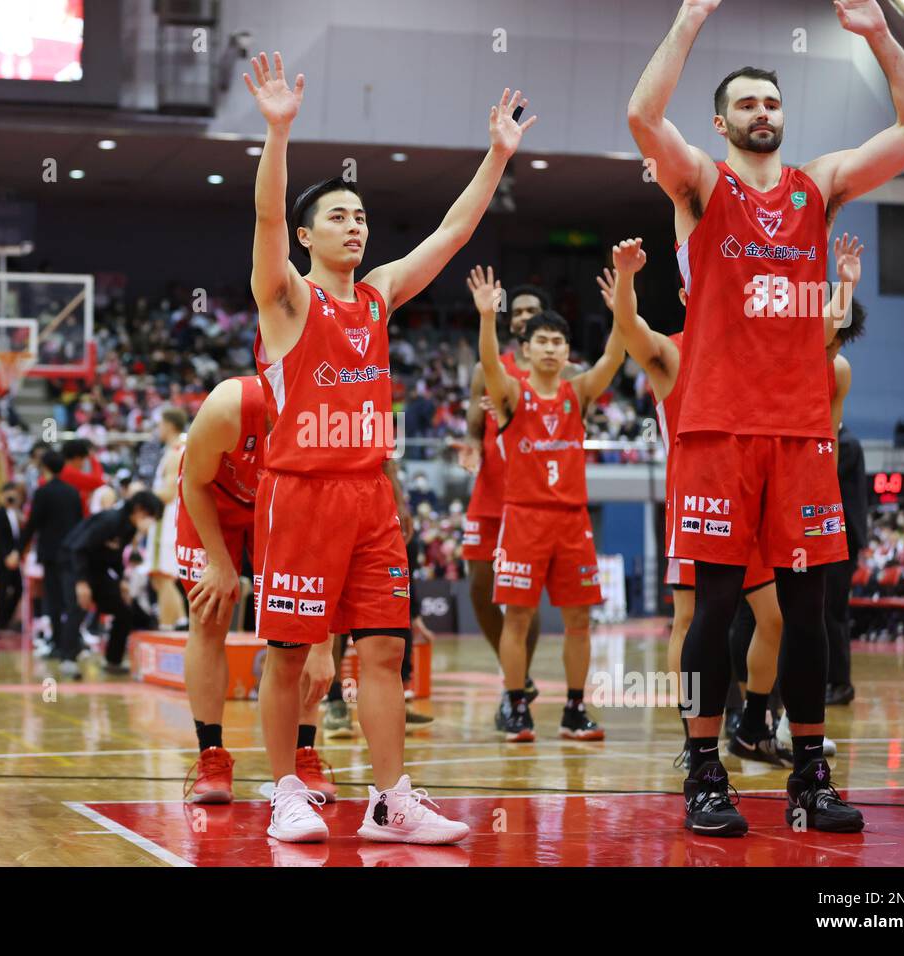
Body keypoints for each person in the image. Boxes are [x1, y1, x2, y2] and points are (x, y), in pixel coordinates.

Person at [627, 0, 904, 835]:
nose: (763, 113)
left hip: (801, 433)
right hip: (718, 430)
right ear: (722, 120)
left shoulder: (820, 186)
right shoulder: (699, 184)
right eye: (748, 103)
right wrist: (690, 19)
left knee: (805, 614)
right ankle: (703, 772)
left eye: (773, 102)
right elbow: (641, 115)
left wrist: (877, 33)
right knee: (715, 610)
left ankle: (809, 772)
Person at [245, 49, 533, 842]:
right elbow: (267, 219)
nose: (356, 225)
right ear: (307, 235)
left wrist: (497, 156)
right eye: (338, 216)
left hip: (373, 497)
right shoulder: (288, 298)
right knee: (293, 655)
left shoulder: (378, 296)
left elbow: (451, 230)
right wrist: (279, 133)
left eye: (362, 216)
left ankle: (388, 799)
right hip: (300, 494)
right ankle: (283, 792)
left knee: (382, 654)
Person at [604, 237, 862, 766]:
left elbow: (821, 338)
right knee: (690, 619)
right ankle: (693, 737)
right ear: (687, 294)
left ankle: (752, 725)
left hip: (755, 500)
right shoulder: (673, 351)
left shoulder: (755, 349)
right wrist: (627, 280)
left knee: (776, 619)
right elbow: (630, 329)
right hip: (700, 502)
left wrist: (843, 289)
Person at [467, 267, 624, 742]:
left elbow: (615, 356)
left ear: (566, 351)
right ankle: (517, 706)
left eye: (559, 341)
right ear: (528, 349)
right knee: (517, 616)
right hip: (524, 517)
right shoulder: (513, 394)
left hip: (572, 520)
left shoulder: (579, 392)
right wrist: (484, 318)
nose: (552, 348)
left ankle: (575, 709)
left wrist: (623, 310)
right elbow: (489, 366)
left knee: (579, 619)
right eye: (543, 341)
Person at [179, 375, 337, 803]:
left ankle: (303, 752)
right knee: (209, 616)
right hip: (213, 500)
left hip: (286, 508)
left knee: (302, 627)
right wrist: (218, 561)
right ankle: (211, 756)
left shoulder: (328, 418)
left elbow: (328, 536)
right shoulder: (229, 405)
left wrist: (324, 645)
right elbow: (192, 482)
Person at [459, 284, 549, 721]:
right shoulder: (488, 367)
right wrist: (473, 447)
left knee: (523, 601)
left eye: (533, 310)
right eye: (519, 311)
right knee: (478, 585)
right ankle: (510, 667)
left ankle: (517, 683)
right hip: (490, 492)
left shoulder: (559, 372)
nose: (524, 316)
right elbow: (474, 427)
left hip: (532, 498)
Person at [58, 491, 162, 679]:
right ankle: (68, 659)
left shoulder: (129, 528)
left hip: (97, 570)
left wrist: (121, 581)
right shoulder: (110, 520)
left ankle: (113, 660)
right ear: (139, 510)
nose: (150, 523)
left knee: (124, 611)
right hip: (74, 565)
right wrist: (81, 582)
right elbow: (79, 549)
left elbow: (115, 557)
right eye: (150, 517)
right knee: (79, 606)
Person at [822, 302, 869, 706]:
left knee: (834, 614)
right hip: (833, 537)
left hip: (842, 539)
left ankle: (841, 683)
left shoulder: (848, 445)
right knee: (824, 614)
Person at [15, 449, 84, 659]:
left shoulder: (42, 492)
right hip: (71, 552)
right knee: (70, 599)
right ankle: (72, 642)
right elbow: (79, 523)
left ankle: (57, 643)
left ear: (44, 468)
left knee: (53, 599)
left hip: (50, 553)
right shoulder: (73, 492)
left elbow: (32, 524)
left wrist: (19, 549)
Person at [147, 407, 188, 629]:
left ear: (170, 425)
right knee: (161, 578)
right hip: (175, 517)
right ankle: (177, 621)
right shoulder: (182, 446)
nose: (158, 429)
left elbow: (169, 493)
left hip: (166, 517)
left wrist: (140, 495)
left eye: (160, 424)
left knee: (163, 575)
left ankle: (170, 624)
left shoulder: (175, 451)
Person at [0, 481, 25, 633]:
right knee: (3, 589)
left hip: (14, 556)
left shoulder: (17, 513)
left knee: (18, 588)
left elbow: (19, 536)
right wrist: (6, 556)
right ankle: (1, 623)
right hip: (2, 557)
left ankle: (7, 619)